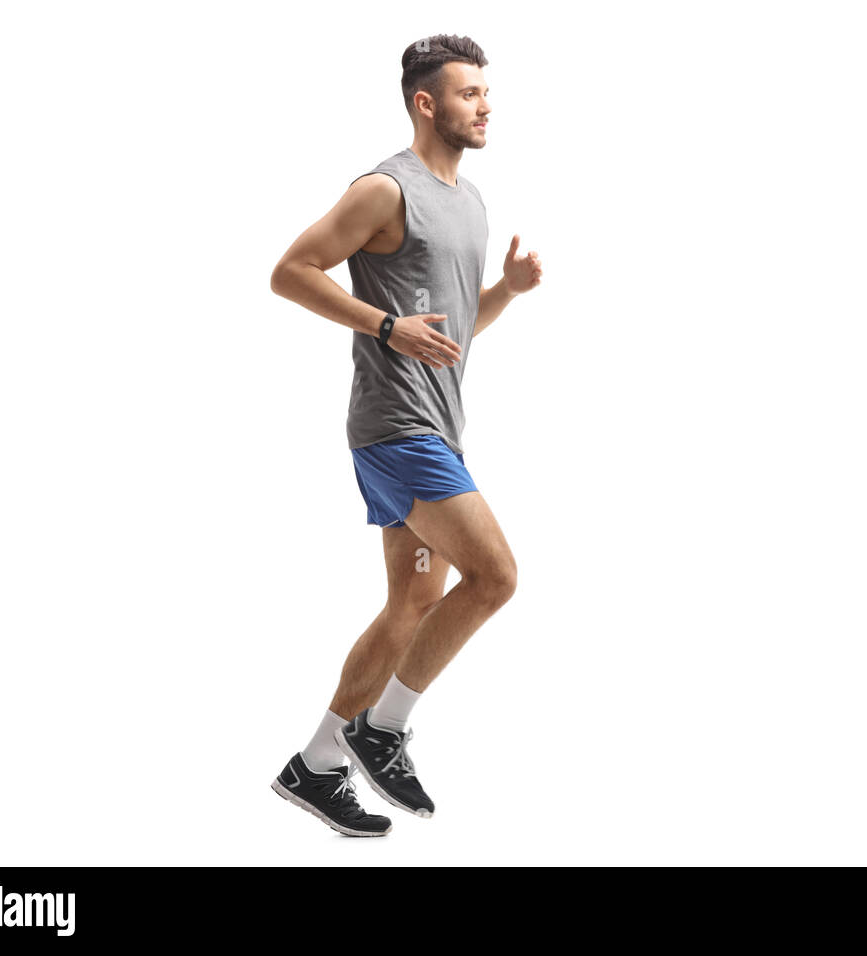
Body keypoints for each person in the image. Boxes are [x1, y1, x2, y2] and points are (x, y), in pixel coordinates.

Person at [266, 34, 542, 837]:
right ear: (426, 103)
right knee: (496, 576)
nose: (484, 105)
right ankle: (380, 731)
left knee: (414, 600)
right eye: (468, 94)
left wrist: (507, 294)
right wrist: (386, 326)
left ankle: (315, 764)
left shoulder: (472, 202)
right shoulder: (387, 189)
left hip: (436, 425)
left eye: (487, 93)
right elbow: (291, 270)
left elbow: (453, 331)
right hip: (397, 425)